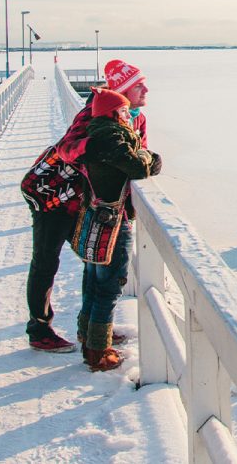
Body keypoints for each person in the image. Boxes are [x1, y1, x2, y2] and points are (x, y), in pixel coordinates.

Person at [24, 59, 153, 352]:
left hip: (87, 201)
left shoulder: (136, 118)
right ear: (122, 92)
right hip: (55, 197)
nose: (146, 89)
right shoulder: (95, 114)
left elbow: (139, 157)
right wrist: (96, 149)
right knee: (46, 261)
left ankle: (92, 327)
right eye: (138, 86)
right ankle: (39, 329)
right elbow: (66, 149)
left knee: (93, 260)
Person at [77, 85, 160, 371]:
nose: (129, 115)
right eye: (124, 111)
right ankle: (98, 351)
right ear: (114, 113)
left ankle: (88, 334)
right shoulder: (110, 136)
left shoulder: (96, 133)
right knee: (110, 284)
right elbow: (138, 167)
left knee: (93, 279)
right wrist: (151, 158)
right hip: (111, 221)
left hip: (96, 216)